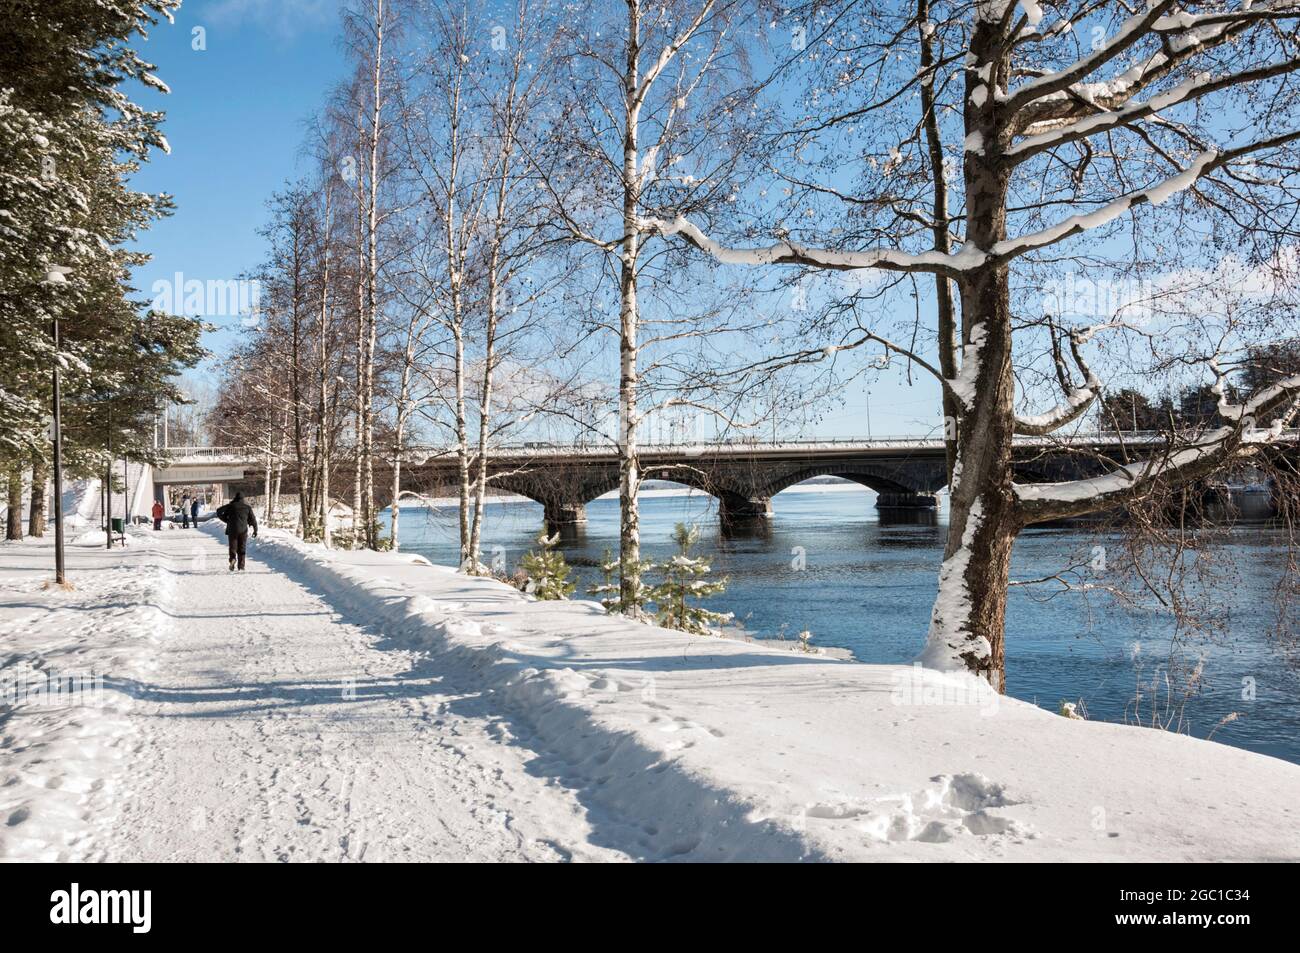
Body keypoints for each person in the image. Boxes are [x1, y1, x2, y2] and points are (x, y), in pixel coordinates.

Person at [215, 492, 258, 572]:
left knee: (233, 547)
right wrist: (255, 530)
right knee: (242, 547)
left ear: (235, 498)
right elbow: (253, 519)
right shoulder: (247, 507)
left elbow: (219, 511)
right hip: (243, 530)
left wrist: (226, 520)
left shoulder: (231, 506)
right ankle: (241, 566)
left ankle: (232, 559)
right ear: (243, 499)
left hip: (232, 530)